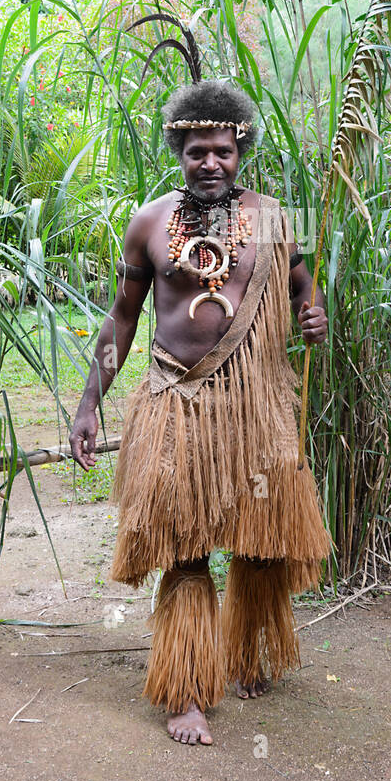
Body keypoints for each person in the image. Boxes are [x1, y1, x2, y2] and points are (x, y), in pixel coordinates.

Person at [70, 78, 331, 745]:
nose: (208, 163)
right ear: (178, 153)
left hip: (257, 403)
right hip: (175, 398)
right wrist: (88, 403)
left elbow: (301, 283)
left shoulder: (271, 218)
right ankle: (185, 691)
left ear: (240, 147)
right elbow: (122, 319)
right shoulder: (150, 223)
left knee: (263, 541)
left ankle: (248, 653)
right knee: (185, 549)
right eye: (195, 153)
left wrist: (311, 311)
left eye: (220, 150)